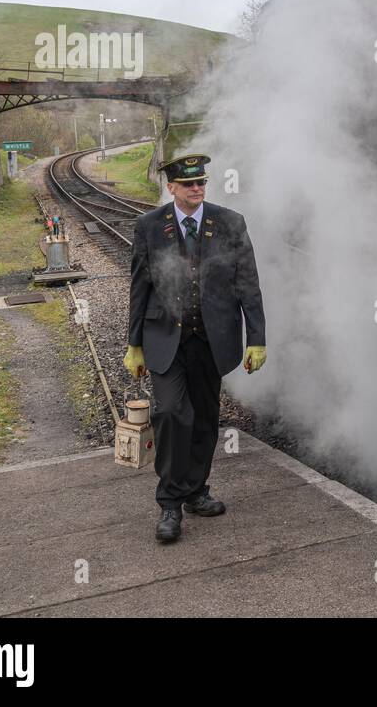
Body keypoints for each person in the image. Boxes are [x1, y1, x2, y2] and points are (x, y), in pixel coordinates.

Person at [123, 153, 267, 543]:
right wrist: (133, 344)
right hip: (164, 340)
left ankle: (196, 491)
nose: (197, 189)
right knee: (171, 413)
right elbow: (140, 286)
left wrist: (257, 339)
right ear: (171, 187)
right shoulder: (149, 226)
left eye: (201, 182)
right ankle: (169, 501)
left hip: (212, 340)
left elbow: (248, 284)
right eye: (189, 184)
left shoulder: (230, 223)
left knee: (204, 419)